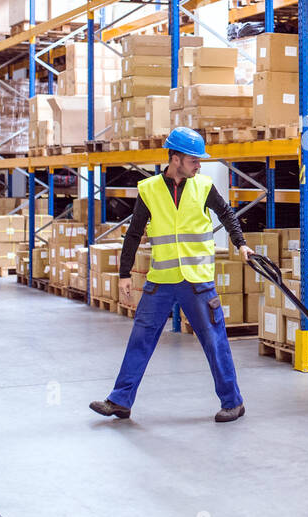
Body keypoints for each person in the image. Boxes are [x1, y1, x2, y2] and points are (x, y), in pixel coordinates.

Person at [89, 127, 254, 423]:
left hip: (197, 281)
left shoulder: (203, 186)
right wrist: (124, 274)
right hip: (161, 282)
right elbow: (134, 233)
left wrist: (241, 244)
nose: (199, 165)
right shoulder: (149, 189)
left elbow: (228, 215)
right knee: (140, 338)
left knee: (214, 341)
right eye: (194, 160)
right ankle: (120, 401)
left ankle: (233, 402)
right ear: (175, 158)